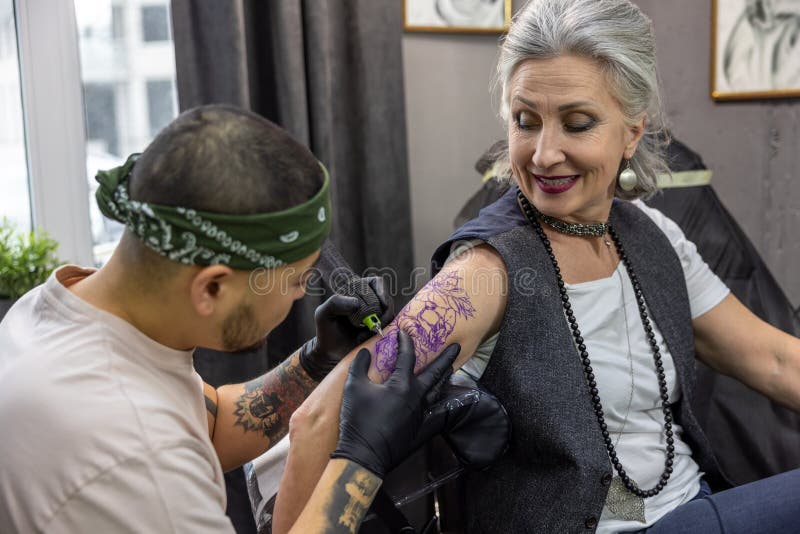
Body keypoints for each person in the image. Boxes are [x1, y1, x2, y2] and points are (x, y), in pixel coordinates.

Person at [274, 1, 800, 532]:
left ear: (632, 133)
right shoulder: (484, 274)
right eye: (526, 122)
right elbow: (317, 420)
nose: (545, 154)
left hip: (691, 502)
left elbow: (776, 361)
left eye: (577, 124)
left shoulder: (654, 236)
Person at [0, 104, 460, 533]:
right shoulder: (138, 463)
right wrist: (362, 457)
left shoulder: (59, 308)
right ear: (212, 288)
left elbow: (213, 428)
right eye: (297, 281)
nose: (302, 296)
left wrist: (318, 360)